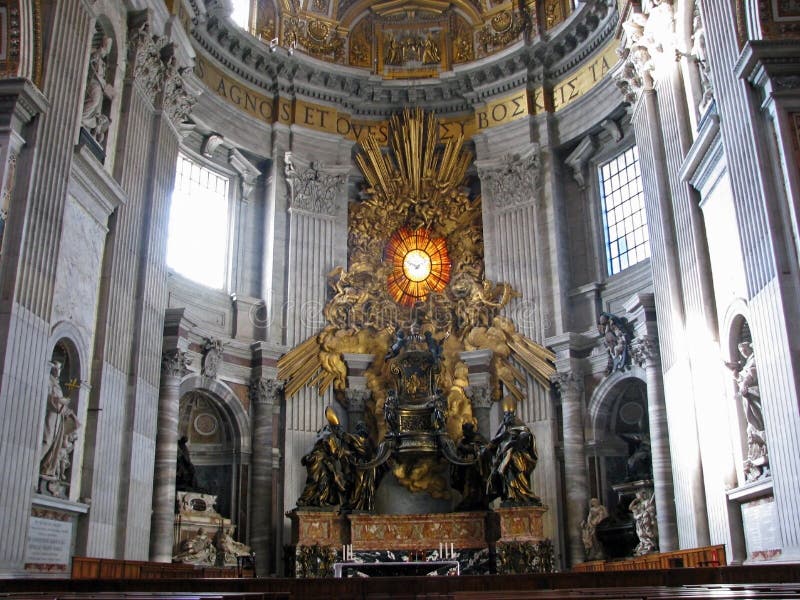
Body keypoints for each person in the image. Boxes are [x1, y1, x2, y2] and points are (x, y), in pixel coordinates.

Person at [484, 400, 540, 505]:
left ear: (513, 414)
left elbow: (526, 437)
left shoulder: (519, 425)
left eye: (509, 414)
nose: (506, 416)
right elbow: (495, 441)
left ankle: (521, 495)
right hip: (504, 457)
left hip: (516, 456)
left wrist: (515, 442)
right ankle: (510, 495)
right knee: (504, 475)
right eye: (505, 414)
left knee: (514, 473)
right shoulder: (504, 427)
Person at [296, 407, 350, 507]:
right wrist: (347, 453)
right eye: (339, 430)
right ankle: (304, 499)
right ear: (336, 429)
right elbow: (335, 452)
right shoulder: (330, 436)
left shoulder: (326, 435)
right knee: (317, 480)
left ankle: (320, 500)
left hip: (318, 460)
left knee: (323, 480)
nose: (340, 433)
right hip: (318, 460)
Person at [40, 361, 80, 482]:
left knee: (53, 444)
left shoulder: (57, 385)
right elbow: (47, 398)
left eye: (59, 368)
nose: (57, 371)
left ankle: (46, 468)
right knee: (46, 442)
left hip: (57, 419)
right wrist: (60, 402)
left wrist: (70, 413)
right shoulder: (48, 381)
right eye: (55, 368)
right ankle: (33, 465)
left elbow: (61, 405)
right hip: (50, 417)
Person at [82, 36, 114, 143]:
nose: (107, 50)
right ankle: (82, 116)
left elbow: (102, 76)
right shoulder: (96, 53)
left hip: (100, 86)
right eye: (107, 47)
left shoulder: (103, 64)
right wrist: (99, 52)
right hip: (93, 82)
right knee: (94, 101)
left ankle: (92, 125)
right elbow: (89, 58)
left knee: (97, 108)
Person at [629, 488, 658, 555]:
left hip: (645, 519)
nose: (637, 496)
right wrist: (634, 501)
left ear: (642, 495)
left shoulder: (647, 501)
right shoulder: (638, 504)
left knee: (646, 532)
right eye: (636, 495)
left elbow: (650, 510)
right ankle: (644, 544)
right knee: (640, 534)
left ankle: (650, 545)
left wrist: (651, 519)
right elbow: (630, 508)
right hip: (639, 521)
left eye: (638, 494)